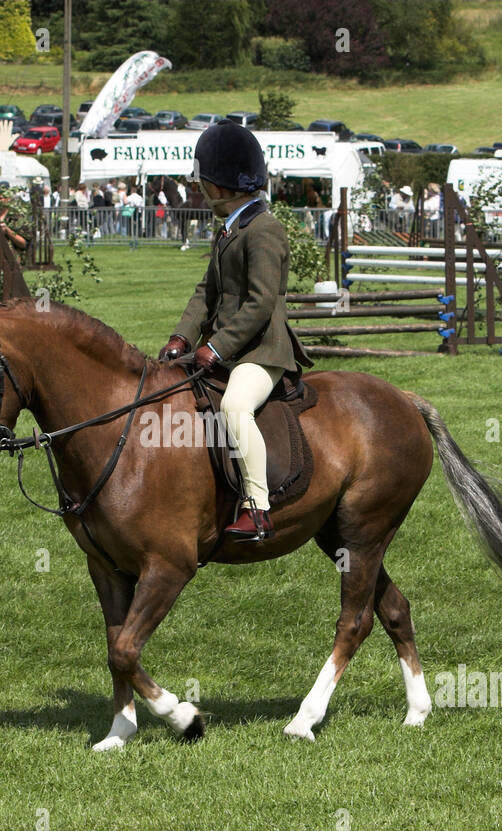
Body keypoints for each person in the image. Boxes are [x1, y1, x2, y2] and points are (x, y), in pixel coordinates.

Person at [158, 122, 314, 542]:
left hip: (262, 352)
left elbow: (261, 303)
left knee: (234, 408)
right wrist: (182, 338)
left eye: (204, 182)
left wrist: (216, 347)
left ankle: (257, 508)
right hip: (226, 347)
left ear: (221, 185)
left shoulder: (265, 230)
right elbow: (206, 292)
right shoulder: (228, 228)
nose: (201, 188)